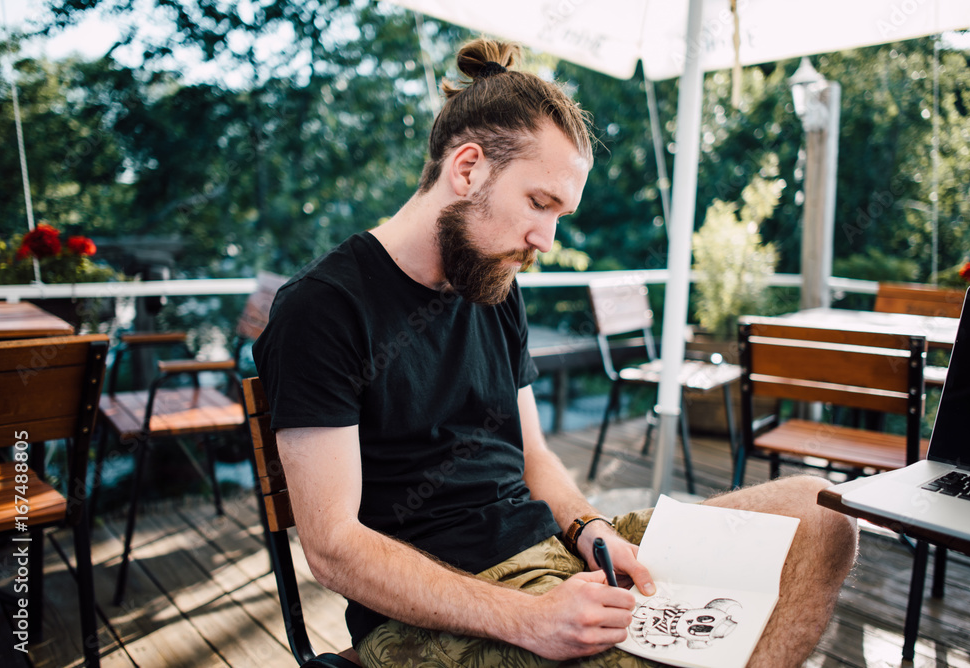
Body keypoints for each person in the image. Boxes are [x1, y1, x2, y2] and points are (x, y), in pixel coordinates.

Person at [253, 37, 858, 667]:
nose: (546, 238)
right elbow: (333, 548)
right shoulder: (323, 309)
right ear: (467, 169)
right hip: (439, 609)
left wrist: (588, 528)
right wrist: (531, 618)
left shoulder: (491, 286)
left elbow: (534, 457)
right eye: (539, 203)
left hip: (555, 558)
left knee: (820, 516)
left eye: (561, 214)